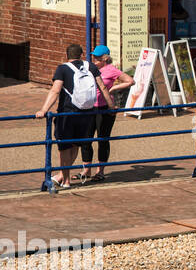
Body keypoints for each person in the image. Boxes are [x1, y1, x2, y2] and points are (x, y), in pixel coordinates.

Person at [35, 44, 115, 188]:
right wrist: (111, 106)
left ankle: (65, 180)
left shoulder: (62, 69)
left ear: (67, 55)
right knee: (75, 145)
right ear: (81, 55)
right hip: (86, 113)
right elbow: (102, 87)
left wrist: (44, 110)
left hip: (67, 113)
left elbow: (55, 91)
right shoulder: (90, 67)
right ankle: (62, 177)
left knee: (64, 147)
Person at [83, 45, 133, 182]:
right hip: (89, 108)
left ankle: (100, 171)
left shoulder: (111, 70)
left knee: (102, 139)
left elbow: (130, 81)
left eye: (97, 58)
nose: (94, 60)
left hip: (105, 108)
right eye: (93, 57)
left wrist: (113, 88)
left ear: (105, 58)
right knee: (85, 139)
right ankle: (86, 170)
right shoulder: (90, 68)